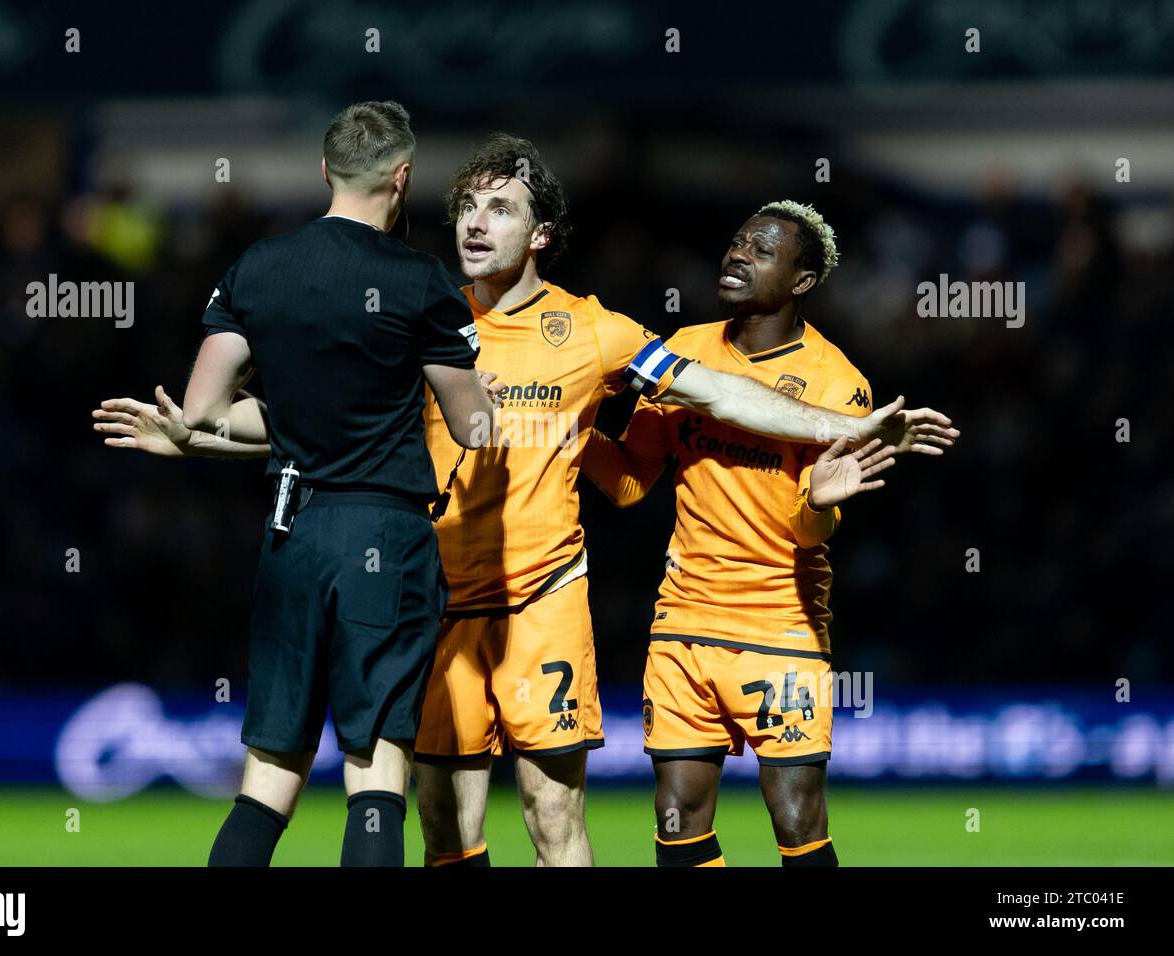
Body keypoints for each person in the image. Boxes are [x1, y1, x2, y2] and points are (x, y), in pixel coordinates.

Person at [96, 137, 956, 867]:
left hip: (544, 602)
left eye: (498, 209)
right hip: (432, 605)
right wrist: (197, 435)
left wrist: (835, 425)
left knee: (553, 819)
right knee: (446, 829)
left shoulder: (594, 332)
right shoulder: (420, 310)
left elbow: (720, 395)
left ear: (539, 233)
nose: (473, 222)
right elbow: (317, 424)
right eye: (467, 205)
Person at [99, 100, 500, 867]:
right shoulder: (420, 282)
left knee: (269, 777)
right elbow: (471, 424)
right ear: (403, 175)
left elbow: (206, 411)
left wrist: (191, 441)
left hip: (293, 534)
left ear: (326, 171)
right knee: (376, 769)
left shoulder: (259, 268)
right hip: (384, 536)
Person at [581, 200, 958, 867]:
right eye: (735, 244)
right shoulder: (684, 354)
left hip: (780, 624)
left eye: (761, 249)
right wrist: (571, 430)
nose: (737, 256)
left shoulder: (839, 385)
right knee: (677, 822)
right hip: (684, 621)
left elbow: (810, 533)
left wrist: (817, 500)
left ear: (803, 280)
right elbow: (631, 484)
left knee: (795, 820)